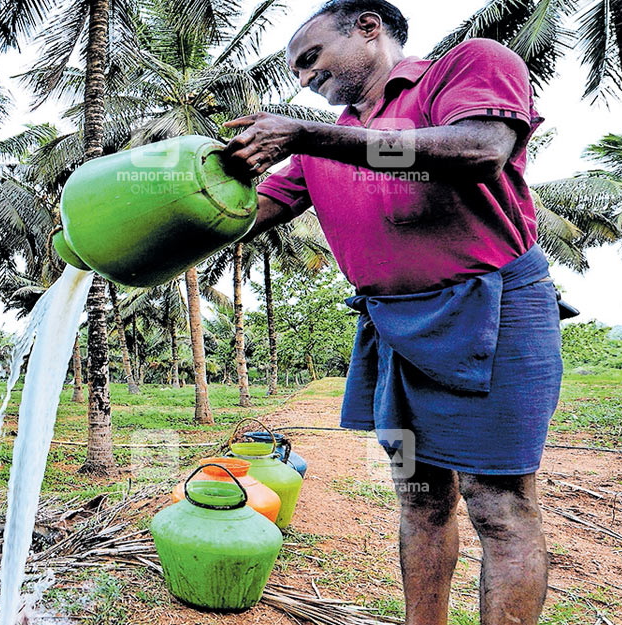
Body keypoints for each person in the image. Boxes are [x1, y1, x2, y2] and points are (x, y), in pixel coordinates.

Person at [223, 2, 570, 624]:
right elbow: (247, 215)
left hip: (492, 313)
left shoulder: (467, 67)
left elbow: (478, 149)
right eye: (297, 72)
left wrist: (307, 134)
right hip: (392, 331)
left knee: (497, 501)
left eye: (311, 59)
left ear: (367, 26)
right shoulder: (318, 153)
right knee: (418, 496)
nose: (304, 80)